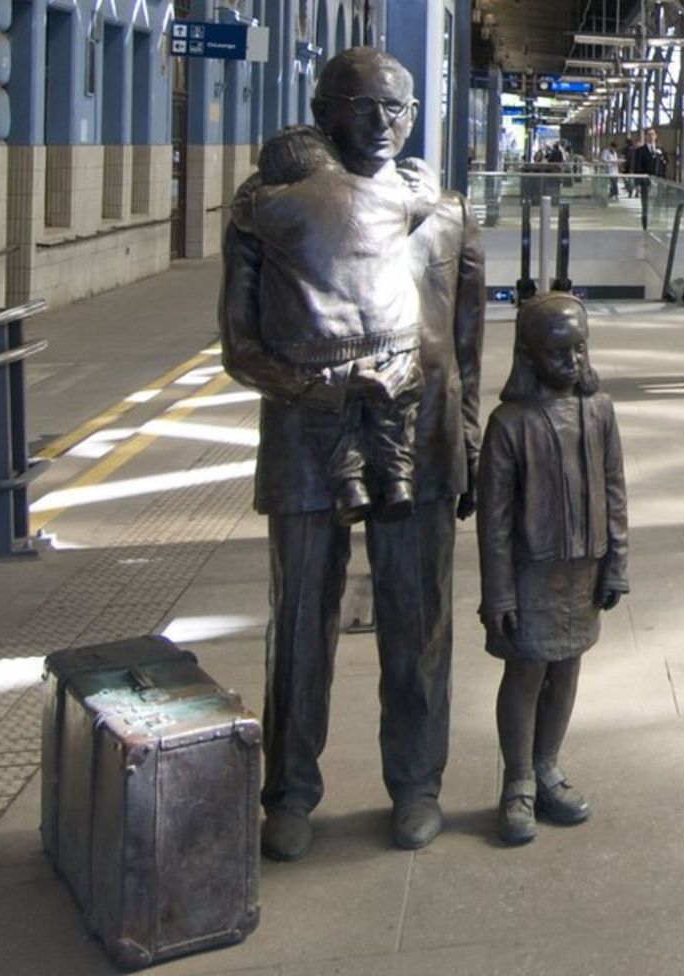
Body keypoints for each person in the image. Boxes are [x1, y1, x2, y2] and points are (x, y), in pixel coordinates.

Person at [219, 47, 485, 861]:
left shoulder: (445, 212)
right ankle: (291, 792)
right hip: (308, 438)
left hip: (423, 435)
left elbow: (464, 339)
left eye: (398, 111)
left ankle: (417, 784)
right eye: (365, 108)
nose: (383, 126)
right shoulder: (267, 206)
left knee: (420, 619)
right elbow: (239, 346)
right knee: (300, 620)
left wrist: (466, 433)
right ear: (324, 108)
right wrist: (317, 392)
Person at [476, 292, 628, 846]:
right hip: (530, 574)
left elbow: (615, 492)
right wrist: (499, 595)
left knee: (566, 668)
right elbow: (492, 524)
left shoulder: (598, 411)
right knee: (526, 672)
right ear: (529, 356)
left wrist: (616, 563)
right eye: (560, 353)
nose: (574, 362)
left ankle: (547, 768)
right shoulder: (508, 425)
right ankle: (516, 781)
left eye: (581, 349)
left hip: (582, 570)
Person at [230, 124, 439, 524]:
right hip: (392, 336)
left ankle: (348, 484)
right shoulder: (387, 193)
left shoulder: (276, 202)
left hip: (321, 345)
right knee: (395, 407)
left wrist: (259, 183)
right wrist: (419, 169)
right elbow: (425, 196)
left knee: (332, 422)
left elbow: (243, 208)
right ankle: (398, 477)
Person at [633, 127, 667, 230]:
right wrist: (637, 183)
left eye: (653, 134)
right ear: (646, 137)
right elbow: (637, 167)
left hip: (658, 181)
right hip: (645, 182)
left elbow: (664, 165)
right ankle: (645, 224)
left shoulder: (660, 150)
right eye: (649, 134)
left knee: (658, 202)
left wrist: (663, 179)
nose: (651, 136)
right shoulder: (640, 151)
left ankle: (656, 221)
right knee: (645, 204)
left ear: (656, 136)